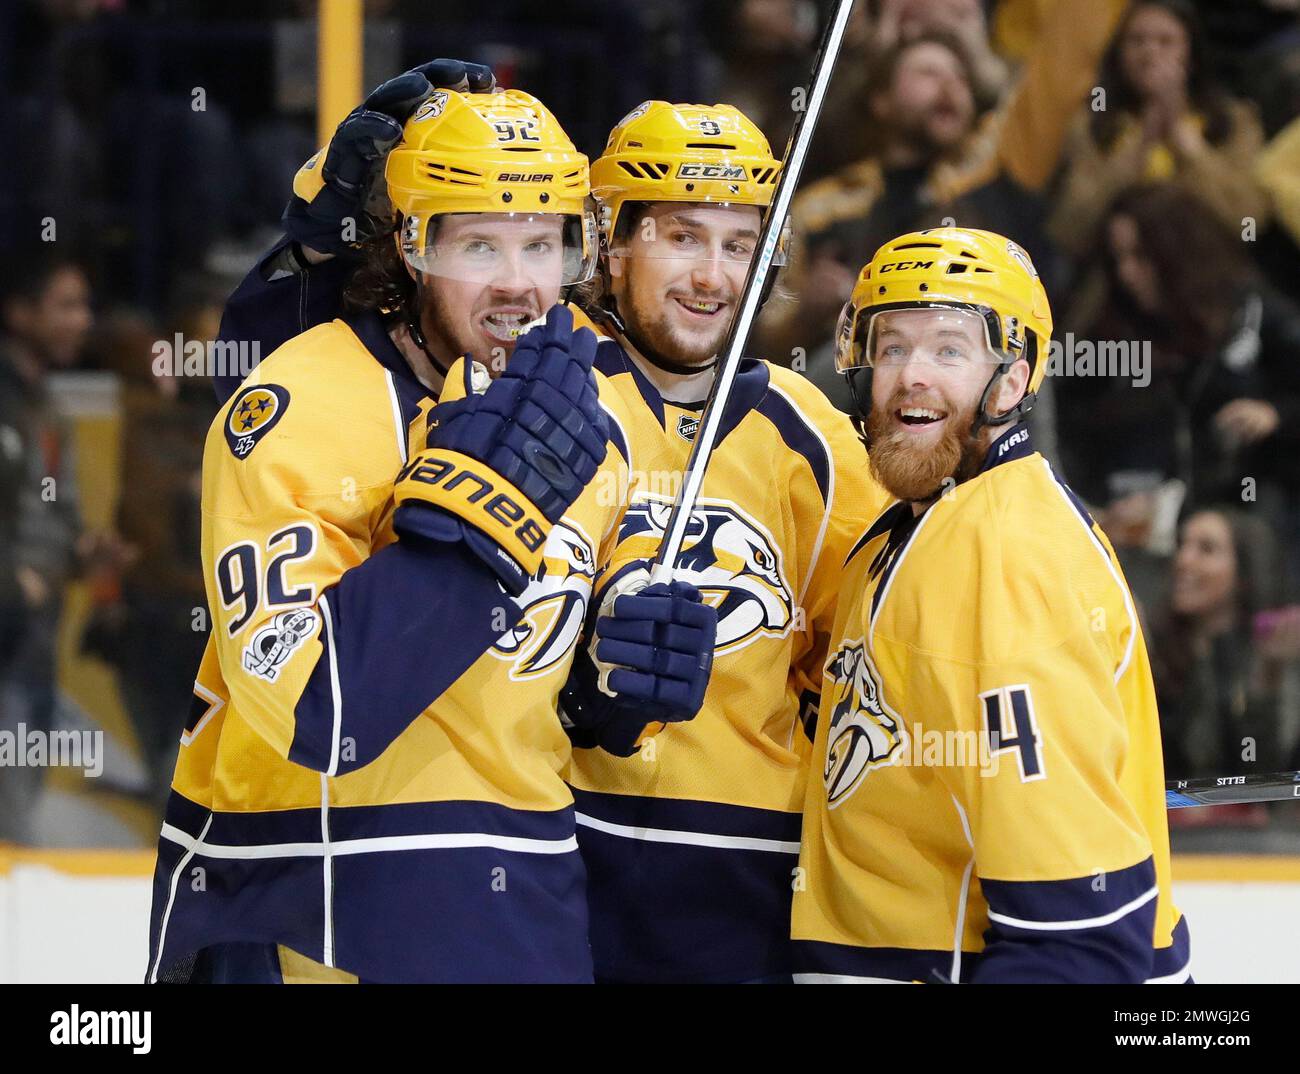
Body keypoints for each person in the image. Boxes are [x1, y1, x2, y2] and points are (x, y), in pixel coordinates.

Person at [208, 87, 885, 982]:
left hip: (615, 892)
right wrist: (315, 246)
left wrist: (607, 690)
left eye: (738, 244)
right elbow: (326, 690)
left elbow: (859, 669)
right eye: (683, 236)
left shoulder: (597, 403)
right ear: (612, 242)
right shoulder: (534, 389)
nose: (712, 275)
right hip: (372, 880)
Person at [146, 86, 715, 985]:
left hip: (523, 915)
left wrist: (617, 680)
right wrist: (485, 514)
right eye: (479, 245)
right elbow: (313, 707)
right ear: (410, 247)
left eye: (543, 245)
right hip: (312, 910)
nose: (518, 283)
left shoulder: (583, 405)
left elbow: (537, 686)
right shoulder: (296, 403)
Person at [791, 227, 1190, 983]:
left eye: (949, 350)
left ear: (1011, 381)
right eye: (892, 346)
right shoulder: (914, 529)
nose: (911, 376)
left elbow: (1080, 941)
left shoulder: (1008, 561)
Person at [1048, 0, 1270, 257]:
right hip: (1116, 267)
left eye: (1166, 41)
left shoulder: (1233, 120)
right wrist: (1142, 144)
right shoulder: (1093, 124)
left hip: (1208, 266)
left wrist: (1184, 142)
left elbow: (1247, 223)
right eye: (1136, 41)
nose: (1150, 52)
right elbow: (1070, 231)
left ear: (1192, 55)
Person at [1151, 506, 1299, 782]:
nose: (1183, 560)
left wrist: (1267, 677)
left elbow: (1266, 775)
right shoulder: (1153, 649)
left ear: (1243, 573)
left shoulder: (1270, 656)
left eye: (1206, 549)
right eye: (1182, 545)